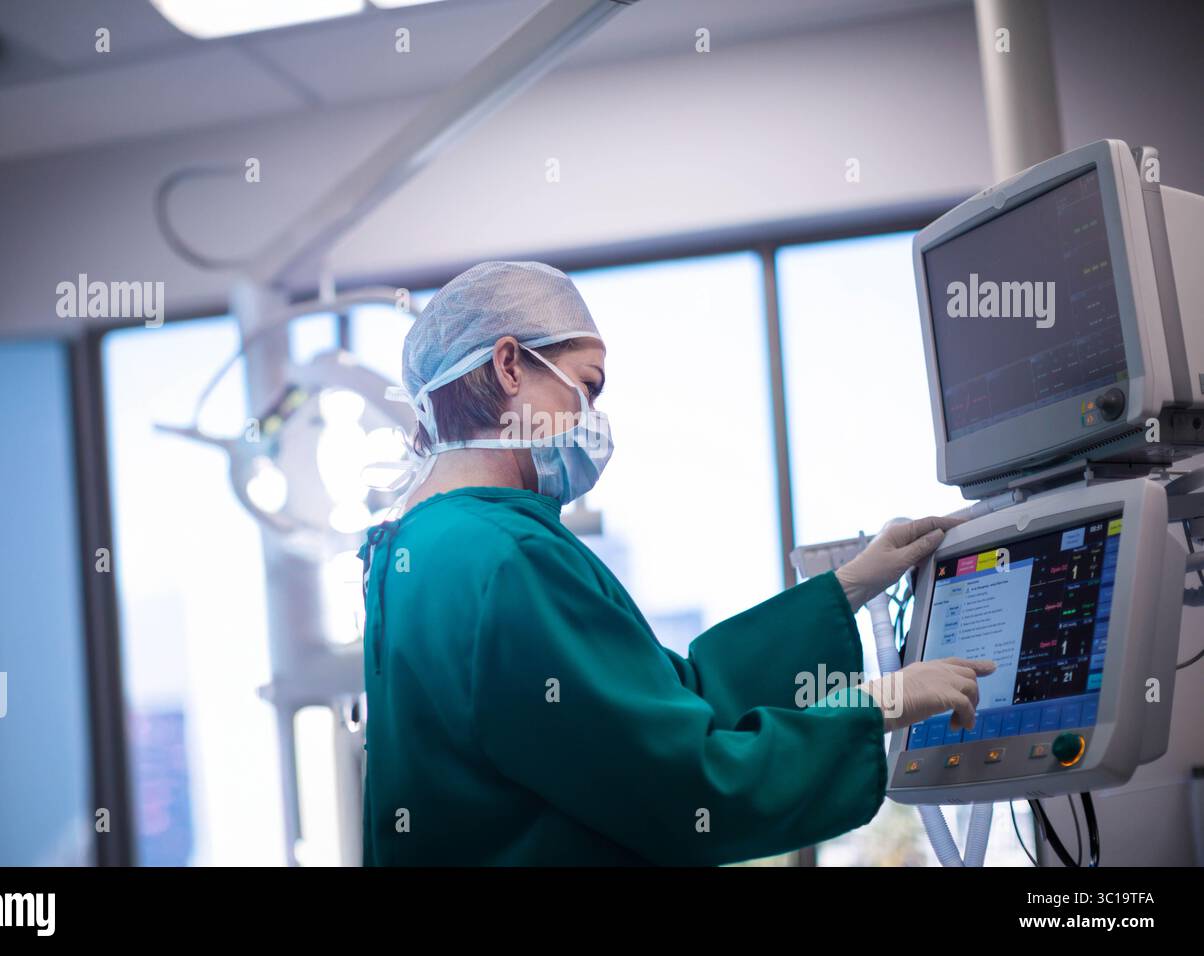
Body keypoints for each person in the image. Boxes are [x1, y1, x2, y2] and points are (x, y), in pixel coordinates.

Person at [358, 261, 994, 866]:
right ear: (508, 366)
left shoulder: (413, 551)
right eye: (587, 385)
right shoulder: (509, 556)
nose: (593, 418)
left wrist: (846, 588)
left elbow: (667, 701)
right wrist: (879, 705)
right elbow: (683, 781)